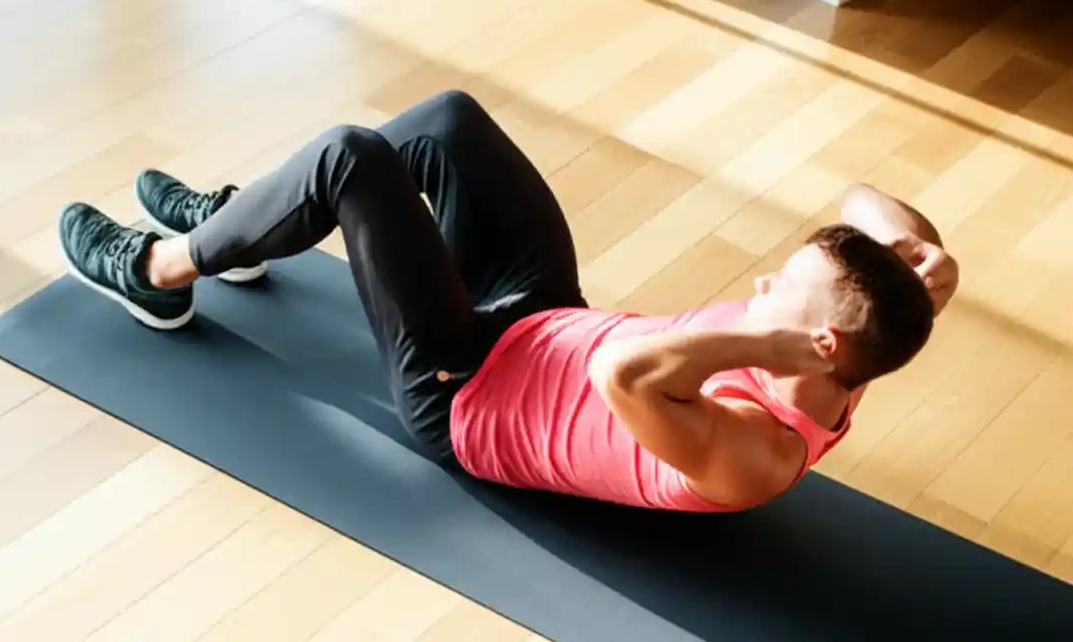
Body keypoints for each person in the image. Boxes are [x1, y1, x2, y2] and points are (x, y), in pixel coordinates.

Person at [58, 90, 959, 512]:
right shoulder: (868, 327)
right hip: (544, 316)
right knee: (447, 123)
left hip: (466, 390)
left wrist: (756, 343)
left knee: (349, 156)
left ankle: (159, 273)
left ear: (819, 346)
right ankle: (248, 228)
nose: (761, 287)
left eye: (781, 293)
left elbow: (622, 376)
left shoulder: (756, 455)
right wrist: (924, 253)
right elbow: (861, 204)